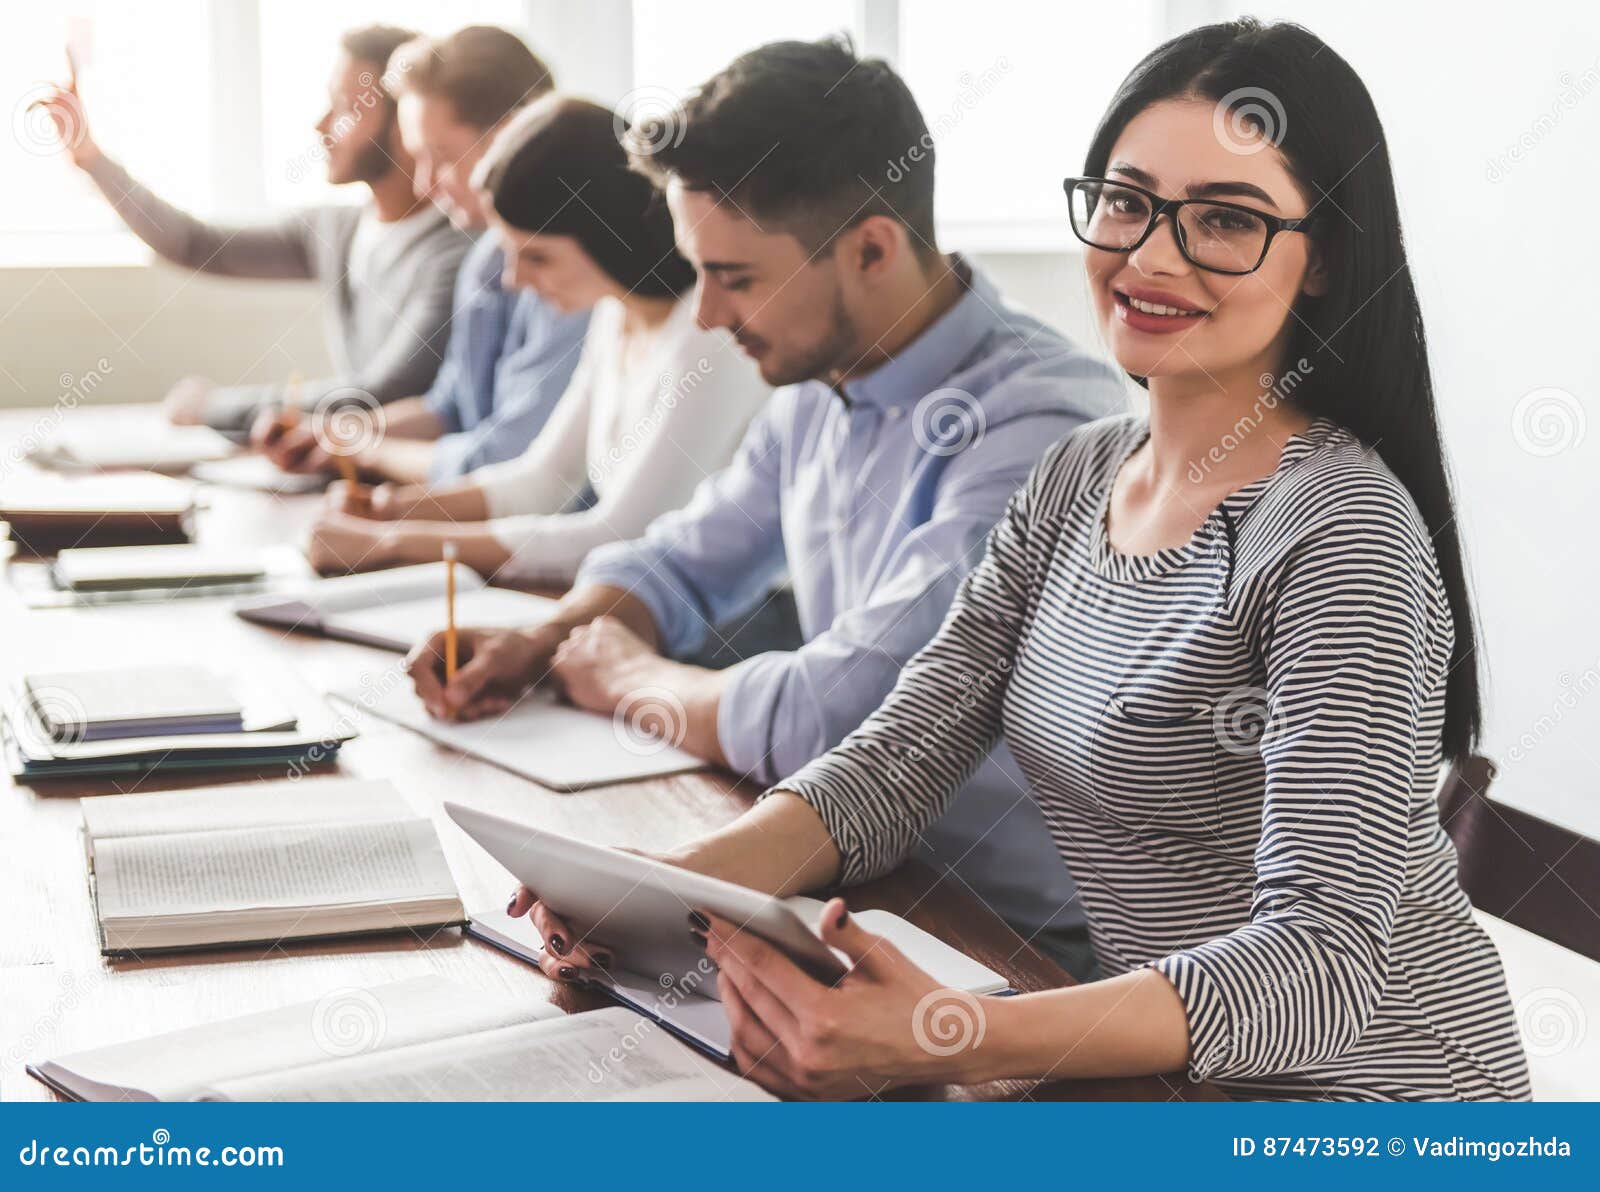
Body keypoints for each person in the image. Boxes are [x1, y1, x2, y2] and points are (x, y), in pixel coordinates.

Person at [500, 20, 1534, 1102]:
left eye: (1224, 220)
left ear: (1320, 256)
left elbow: (1319, 964)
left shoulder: (1340, 532)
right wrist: (650, 892)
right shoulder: (1075, 477)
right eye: (1128, 201)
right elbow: (890, 767)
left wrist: (948, 1035)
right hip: (1169, 1081)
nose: (1150, 257)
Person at [408, 38, 1127, 975]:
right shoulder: (813, 382)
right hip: (851, 878)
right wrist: (543, 643)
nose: (704, 314)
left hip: (1021, 943)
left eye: (735, 278)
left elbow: (844, 711)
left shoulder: (1042, 422)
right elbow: (677, 558)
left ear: (871, 248)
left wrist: (635, 682)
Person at [306, 96, 769, 585]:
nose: (513, 280)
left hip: (731, 621)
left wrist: (392, 544)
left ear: (605, 234)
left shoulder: (707, 336)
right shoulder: (614, 315)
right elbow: (544, 480)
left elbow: (618, 535)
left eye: (538, 257)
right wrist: (389, 511)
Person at [35, 25, 470, 433]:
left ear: (403, 123)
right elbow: (195, 243)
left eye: (342, 107)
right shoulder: (334, 229)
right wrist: (91, 158)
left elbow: (381, 393)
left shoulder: (453, 252)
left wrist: (213, 408)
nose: (320, 125)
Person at [257, 26, 591, 485]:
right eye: (419, 158)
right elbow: (448, 406)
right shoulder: (485, 261)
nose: (424, 185)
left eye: (444, 157)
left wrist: (368, 451)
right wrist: (340, 433)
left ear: (515, 137)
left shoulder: (580, 276)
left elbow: (504, 458)